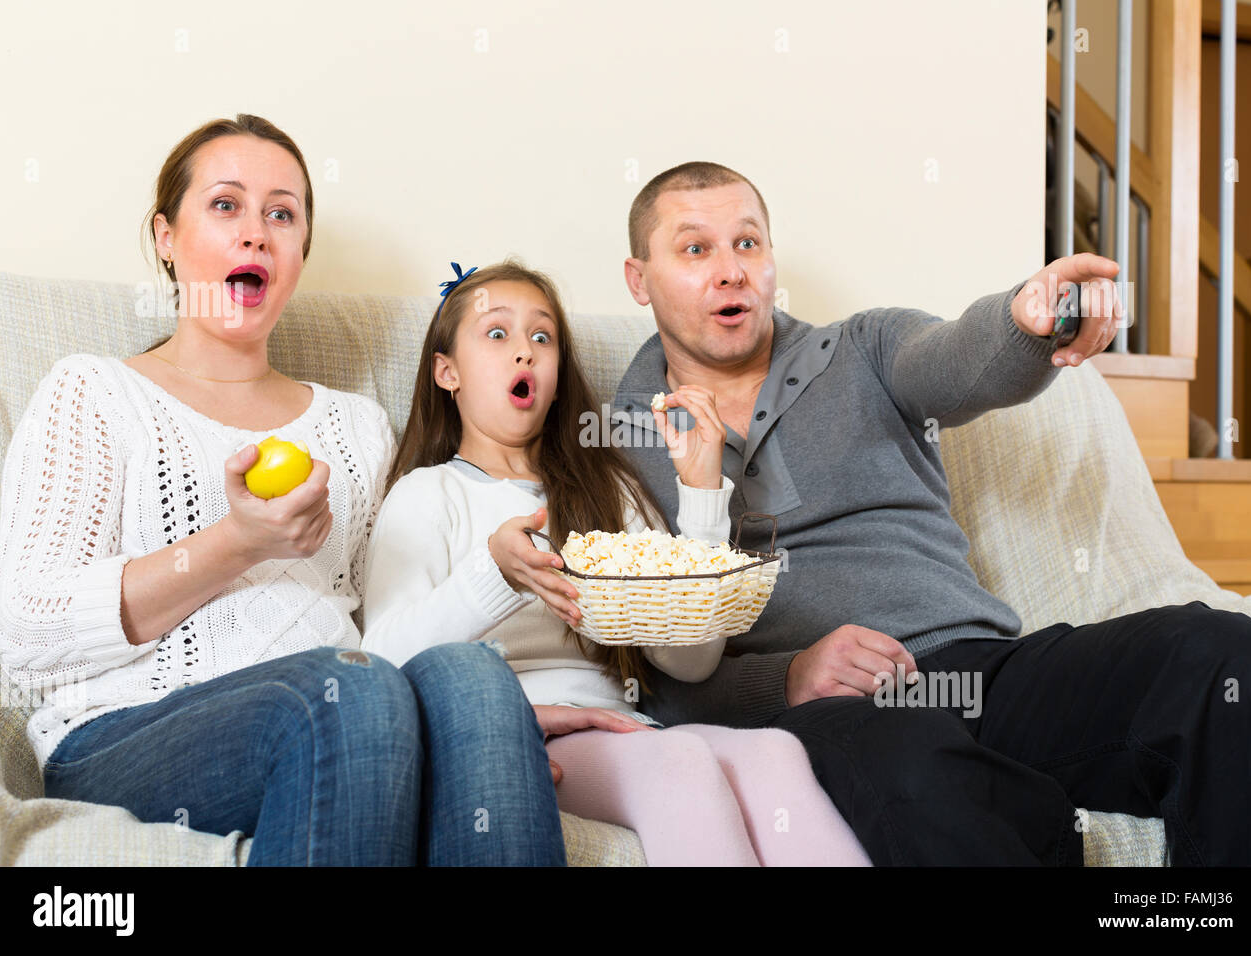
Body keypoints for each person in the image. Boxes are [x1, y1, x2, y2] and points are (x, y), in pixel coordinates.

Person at [609, 160, 1251, 866]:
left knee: (1229, 655)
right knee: (907, 763)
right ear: (638, 278)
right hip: (833, 718)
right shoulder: (612, 448)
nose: (730, 270)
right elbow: (645, 676)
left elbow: (955, 360)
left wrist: (1025, 319)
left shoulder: (861, 348)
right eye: (695, 249)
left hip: (985, 673)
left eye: (748, 243)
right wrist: (785, 679)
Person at [0, 115, 565, 866]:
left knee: (471, 674)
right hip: (131, 732)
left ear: (297, 255)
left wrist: (490, 728)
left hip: (352, 718)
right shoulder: (95, 393)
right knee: (347, 693)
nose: (256, 232)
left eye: (282, 214)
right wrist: (236, 544)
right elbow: (27, 635)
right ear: (166, 237)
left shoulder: (358, 428)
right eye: (226, 205)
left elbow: (390, 634)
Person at [361, 259, 871, 866]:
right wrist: (492, 574)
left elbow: (688, 663)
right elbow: (381, 662)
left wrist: (703, 490)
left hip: (622, 724)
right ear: (448, 372)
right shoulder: (428, 494)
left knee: (775, 754)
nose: (524, 352)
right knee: (680, 762)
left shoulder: (609, 493)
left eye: (542, 337)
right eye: (497, 334)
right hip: (514, 735)